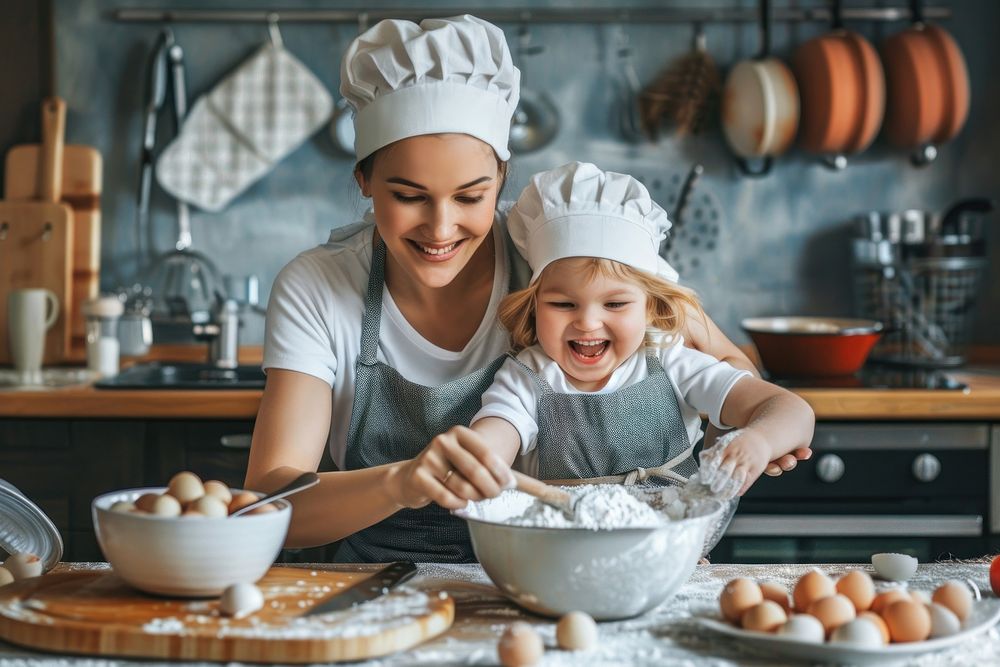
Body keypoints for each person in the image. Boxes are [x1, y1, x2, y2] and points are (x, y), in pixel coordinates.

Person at [246, 16, 809, 563]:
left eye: (470, 196)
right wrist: (401, 481)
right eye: (409, 196)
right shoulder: (318, 287)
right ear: (364, 180)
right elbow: (270, 503)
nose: (441, 229)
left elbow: (727, 364)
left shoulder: (562, 256)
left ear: (502, 178)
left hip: (552, 569)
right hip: (381, 574)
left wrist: (750, 432)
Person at [456, 162, 815, 497]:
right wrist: (477, 461)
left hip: (672, 555)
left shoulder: (669, 361)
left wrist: (759, 440)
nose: (587, 322)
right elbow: (496, 435)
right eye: (563, 304)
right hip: (561, 557)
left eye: (614, 304)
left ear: (650, 309)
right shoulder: (528, 377)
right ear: (533, 310)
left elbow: (791, 409)